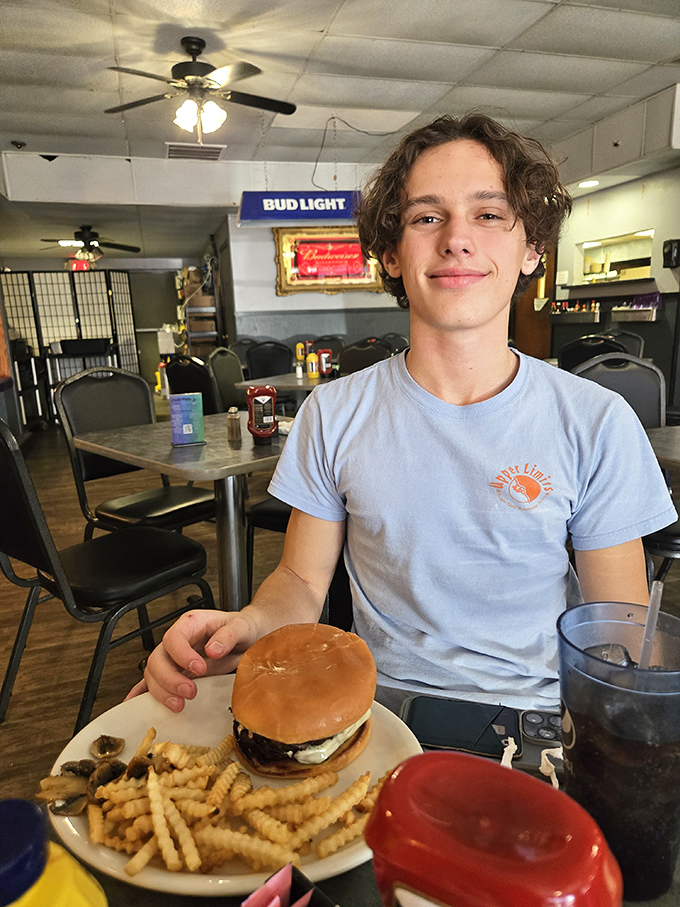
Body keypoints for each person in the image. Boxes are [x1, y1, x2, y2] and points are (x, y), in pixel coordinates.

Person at [130, 112, 676, 715]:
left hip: (538, 716)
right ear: (390, 254)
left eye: (489, 215)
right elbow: (302, 582)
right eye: (427, 217)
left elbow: (617, 631)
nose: (457, 238)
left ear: (532, 250)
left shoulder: (597, 420)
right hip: (380, 713)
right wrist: (249, 626)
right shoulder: (331, 413)